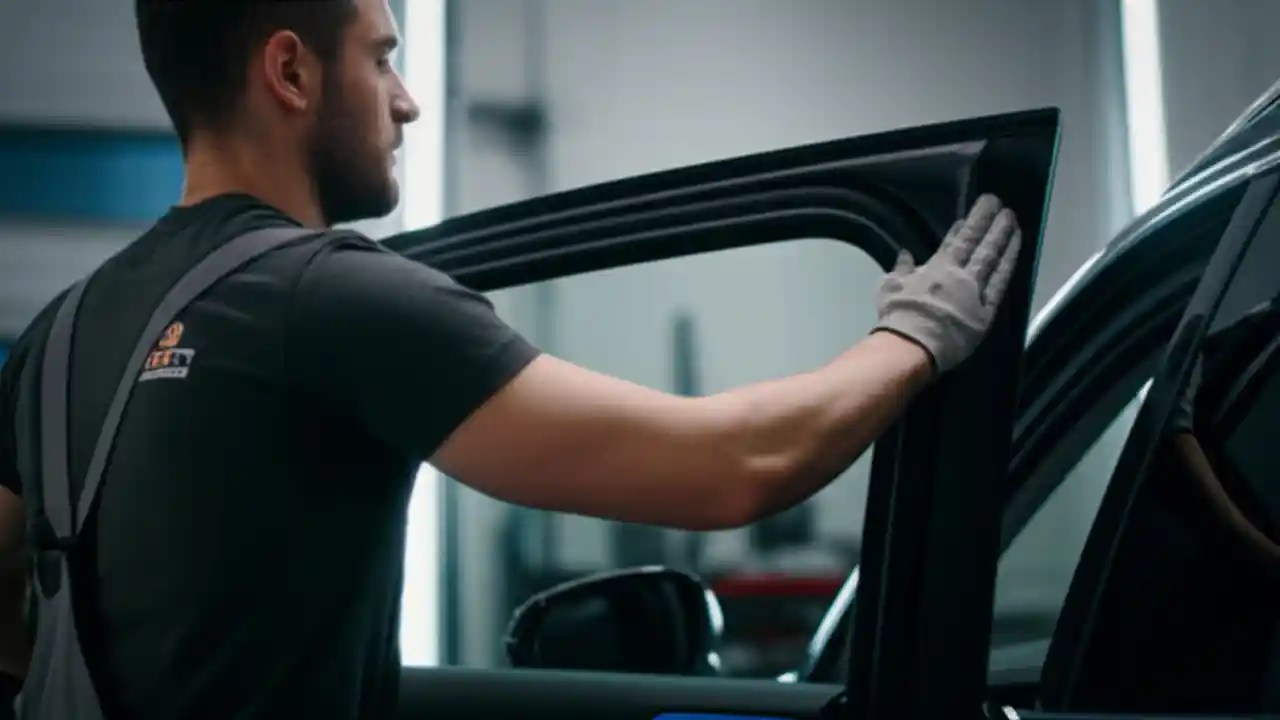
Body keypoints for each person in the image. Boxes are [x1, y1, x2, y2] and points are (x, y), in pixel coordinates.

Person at [0, 0, 1022, 717]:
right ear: (290, 71)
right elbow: (727, 467)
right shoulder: (332, 297)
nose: (404, 100)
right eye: (381, 54)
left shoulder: (55, 335)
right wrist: (913, 338)